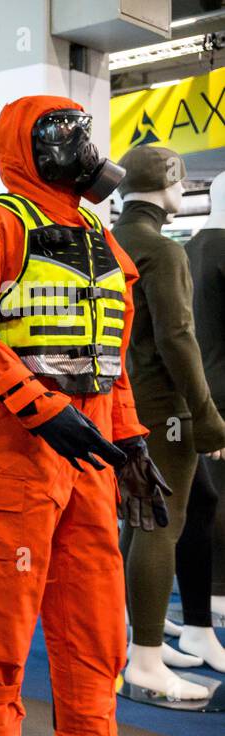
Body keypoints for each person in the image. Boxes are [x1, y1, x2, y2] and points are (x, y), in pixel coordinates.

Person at [0, 96, 166, 736]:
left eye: (79, 129)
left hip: (92, 443)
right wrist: (39, 406)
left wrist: (128, 441)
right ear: (21, 145)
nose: (76, 142)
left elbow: (114, 355)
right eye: (57, 131)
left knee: (96, 599)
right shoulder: (0, 224)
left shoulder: (99, 233)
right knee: (5, 598)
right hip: (20, 443)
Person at [113, 145, 225, 700]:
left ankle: (140, 642)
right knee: (161, 524)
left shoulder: (110, 242)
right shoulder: (163, 250)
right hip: (164, 409)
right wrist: (205, 417)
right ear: (169, 185)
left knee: (136, 520)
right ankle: (147, 659)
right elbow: (178, 340)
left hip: (122, 405)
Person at [185, 169, 225, 672]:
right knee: (213, 498)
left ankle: (207, 598)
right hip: (218, 386)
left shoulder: (190, 246)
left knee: (201, 497)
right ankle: (214, 595)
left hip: (197, 383)